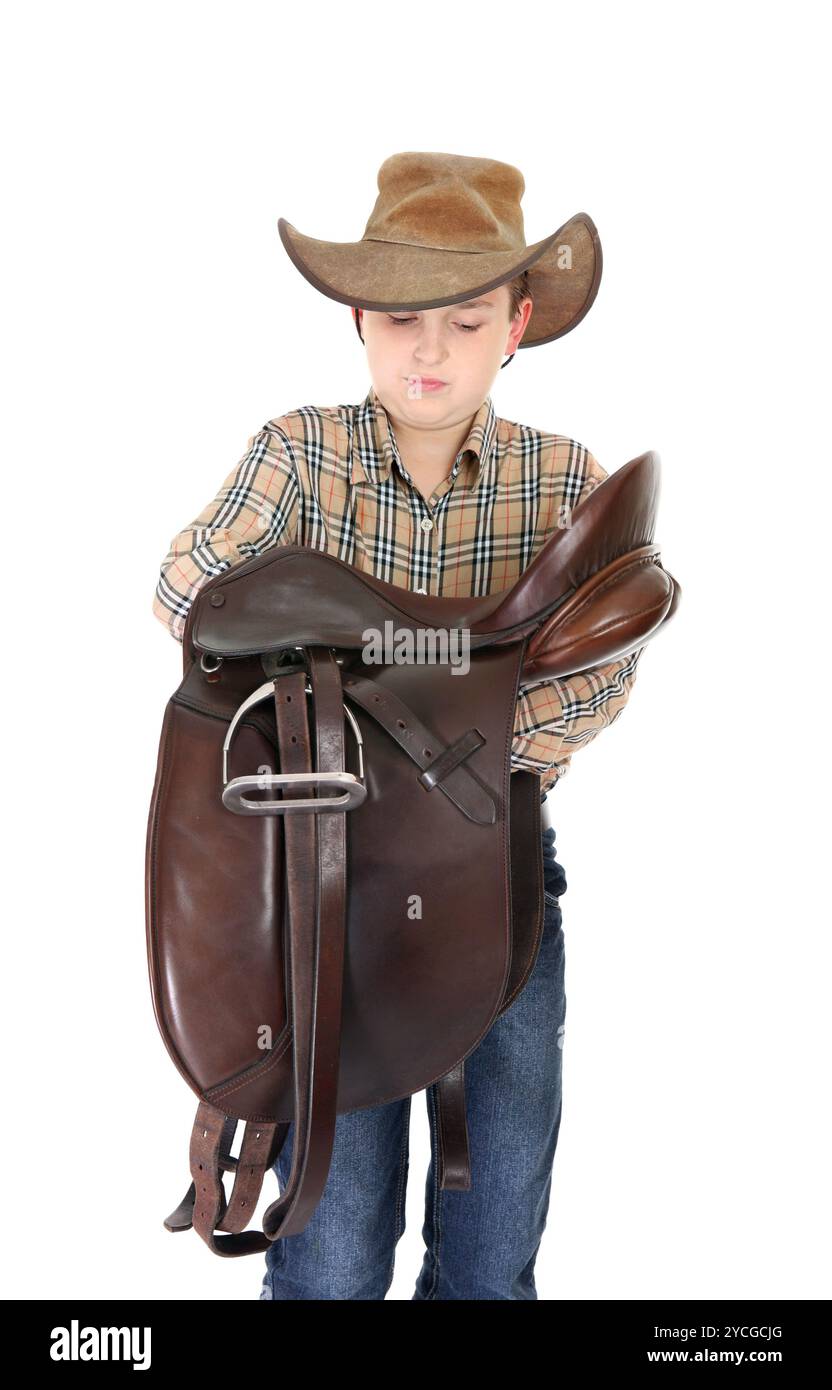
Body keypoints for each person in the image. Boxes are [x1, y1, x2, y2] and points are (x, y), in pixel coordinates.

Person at [152, 152, 645, 1300]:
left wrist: (360, 684)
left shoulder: (560, 479)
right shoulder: (297, 455)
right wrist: (448, 677)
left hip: (505, 873)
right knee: (327, 1242)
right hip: (317, 888)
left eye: (465, 320)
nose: (430, 351)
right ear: (359, 323)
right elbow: (188, 595)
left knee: (495, 1233)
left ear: (515, 325)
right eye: (403, 320)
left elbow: (599, 674)